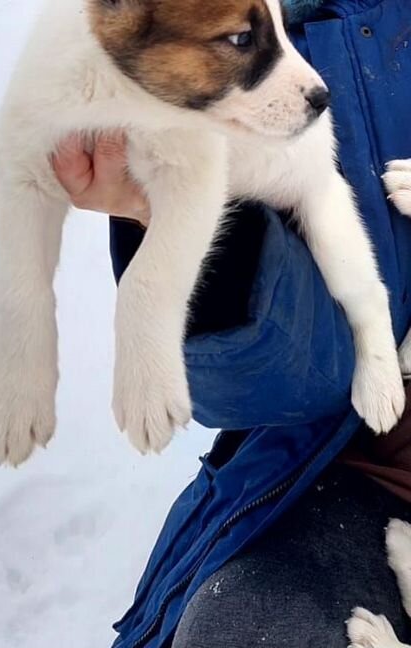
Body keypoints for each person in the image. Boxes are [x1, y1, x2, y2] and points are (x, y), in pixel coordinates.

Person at [51, 1, 411, 647]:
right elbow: (294, 381)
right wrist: (163, 213)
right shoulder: (263, 50)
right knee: (247, 631)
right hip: (357, 475)